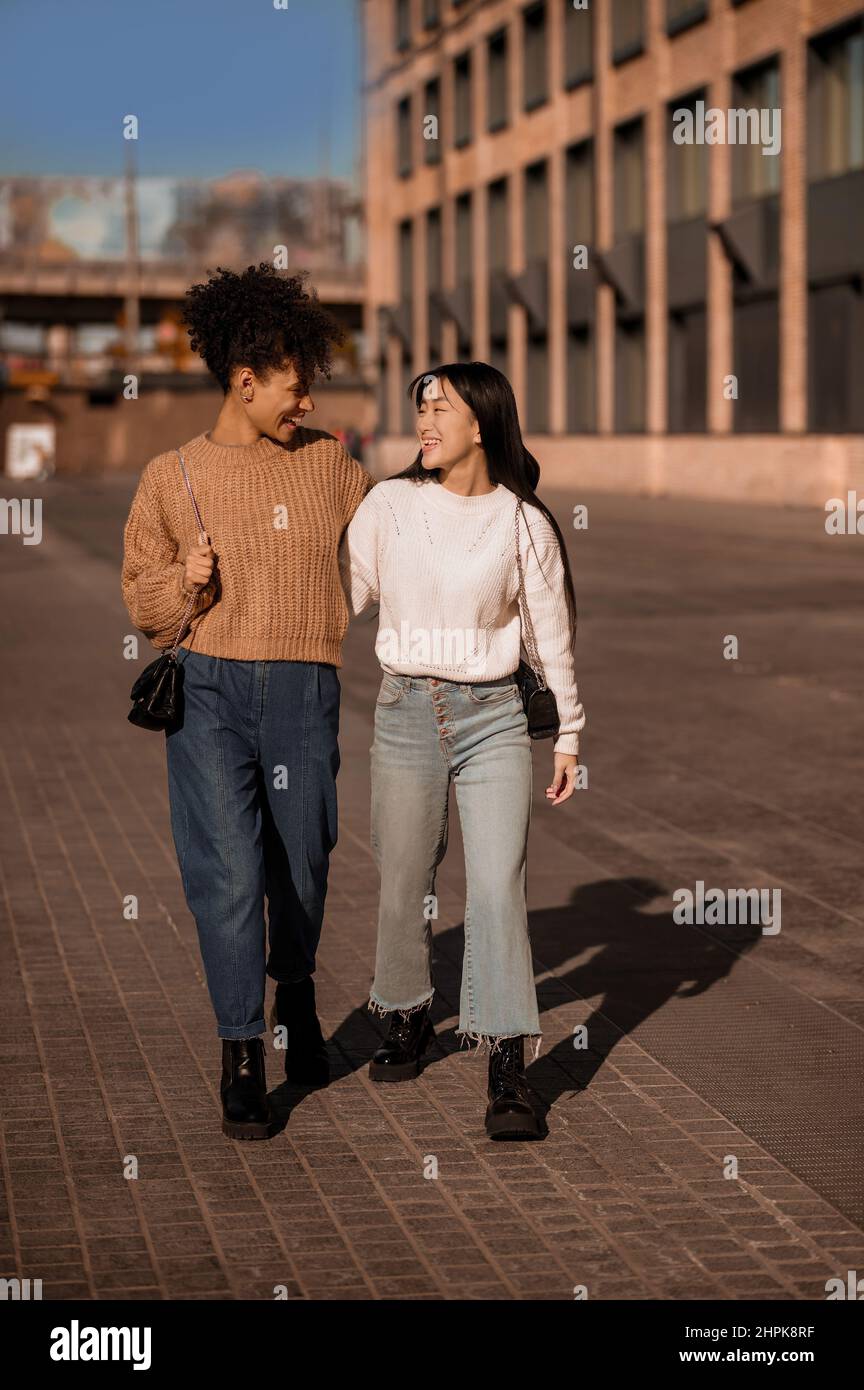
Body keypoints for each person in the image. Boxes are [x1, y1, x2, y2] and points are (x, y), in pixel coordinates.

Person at [121, 263, 374, 1141]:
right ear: (246, 382)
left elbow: (396, 541)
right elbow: (143, 604)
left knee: (300, 863)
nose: (305, 405)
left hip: (305, 686)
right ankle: (241, 1053)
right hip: (210, 693)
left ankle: (295, 995)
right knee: (226, 876)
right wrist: (178, 581)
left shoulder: (334, 470)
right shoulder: (169, 476)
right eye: (294, 390)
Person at [338, 362, 586, 1140]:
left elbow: (551, 639)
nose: (424, 423)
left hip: (494, 721)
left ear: (481, 421)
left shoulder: (522, 522)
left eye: (439, 409)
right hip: (406, 709)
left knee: (495, 886)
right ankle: (407, 1014)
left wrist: (569, 734)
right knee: (404, 875)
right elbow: (339, 597)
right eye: (420, 410)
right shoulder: (389, 504)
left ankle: (508, 1060)